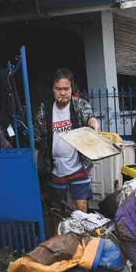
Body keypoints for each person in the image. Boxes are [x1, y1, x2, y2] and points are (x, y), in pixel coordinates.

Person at [34, 68, 99, 212]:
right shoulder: (45, 110)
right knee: (59, 211)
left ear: (71, 88)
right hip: (56, 169)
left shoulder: (79, 105)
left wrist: (93, 123)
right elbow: (37, 139)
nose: (62, 93)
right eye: (58, 89)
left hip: (78, 167)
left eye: (66, 89)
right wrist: (36, 166)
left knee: (81, 207)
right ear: (53, 89)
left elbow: (89, 116)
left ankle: (82, 235)